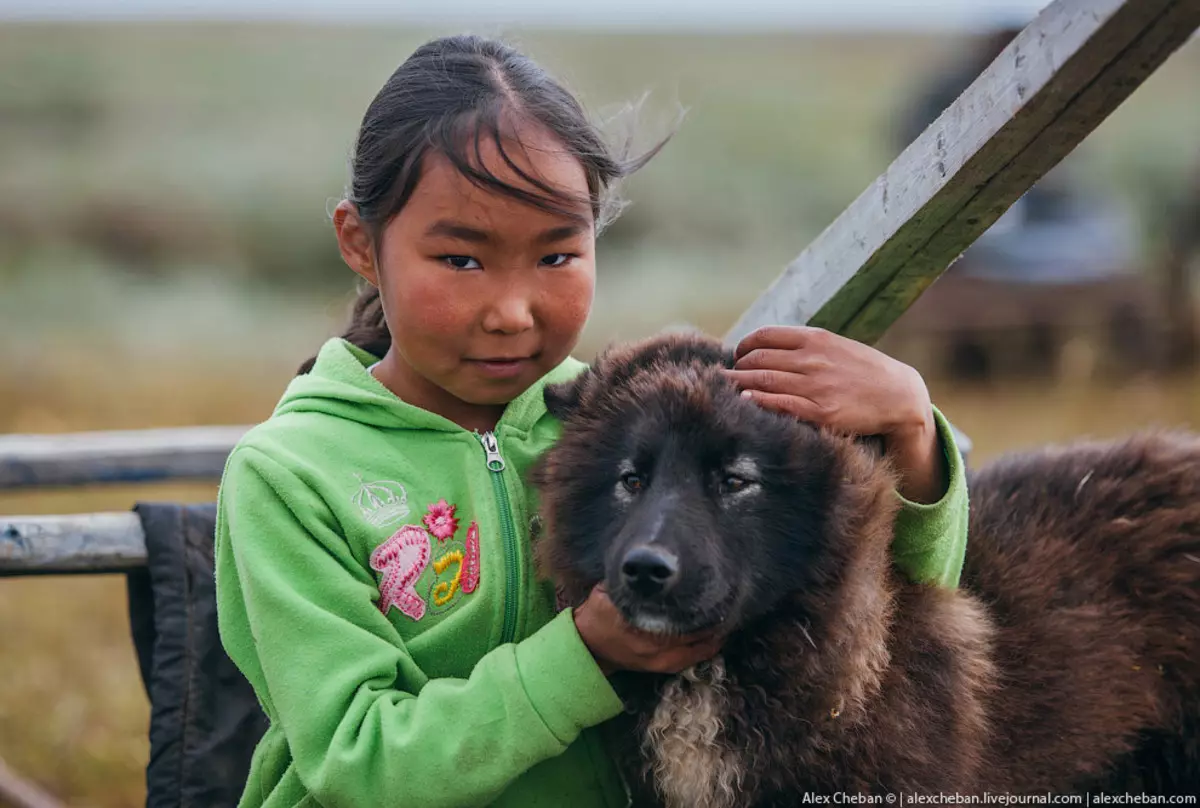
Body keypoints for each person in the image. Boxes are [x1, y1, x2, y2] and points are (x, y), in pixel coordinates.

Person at [214, 33, 969, 808]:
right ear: (360, 245)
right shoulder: (292, 474)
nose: (512, 313)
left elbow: (878, 621)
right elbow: (356, 759)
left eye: (556, 256)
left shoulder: (619, 421)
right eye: (461, 261)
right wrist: (581, 657)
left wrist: (911, 431)